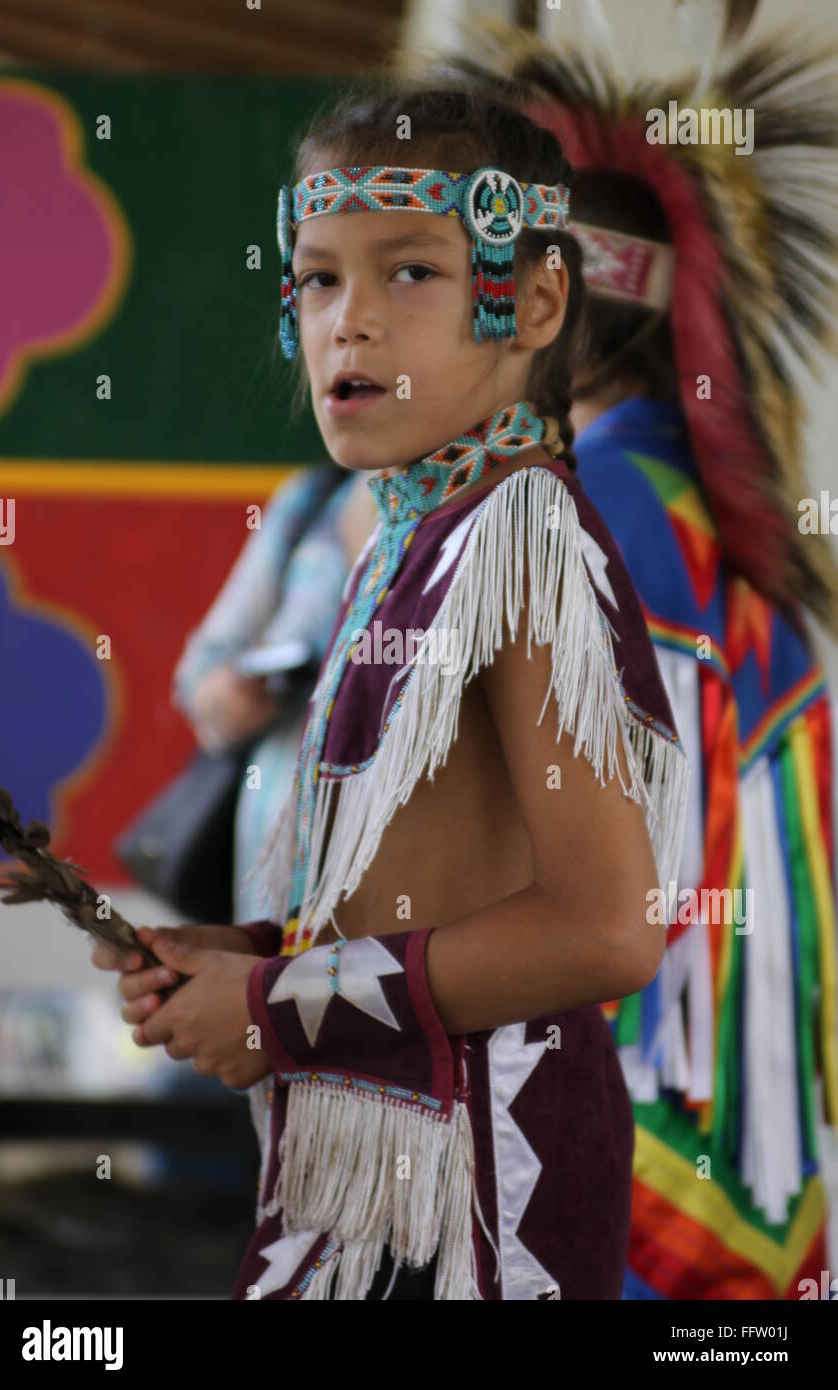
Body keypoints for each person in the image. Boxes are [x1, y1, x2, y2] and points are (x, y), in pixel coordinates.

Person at [91, 81, 690, 1300]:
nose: (346, 323)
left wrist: (278, 1003)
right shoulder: (403, 537)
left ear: (526, 301)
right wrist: (250, 957)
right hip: (363, 1193)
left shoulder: (522, 539)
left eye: (407, 271)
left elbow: (607, 926)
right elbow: (442, 883)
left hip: (481, 1209)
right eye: (316, 278)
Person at [451, 25, 838, 1299]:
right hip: (736, 1128)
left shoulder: (596, 508)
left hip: (631, 1097)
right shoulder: (713, 509)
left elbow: (601, 872)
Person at [171, 461, 369, 924]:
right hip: (275, 868)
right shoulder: (312, 499)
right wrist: (230, 696)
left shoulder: (489, 501)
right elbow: (203, 666)